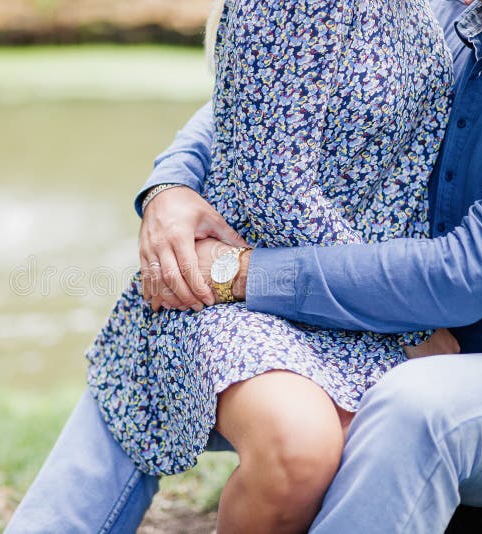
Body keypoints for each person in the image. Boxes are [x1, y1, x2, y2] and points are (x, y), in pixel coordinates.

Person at [5, 0, 482, 532]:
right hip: (379, 312)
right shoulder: (445, 19)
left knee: (408, 407)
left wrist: (243, 275)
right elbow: (257, 97)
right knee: (176, 316)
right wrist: (169, 188)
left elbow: (462, 274)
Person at [87, 0, 456, 531]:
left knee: (376, 437)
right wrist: (408, 320)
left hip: (357, 297)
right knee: (298, 446)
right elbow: (272, 186)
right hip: (254, 288)